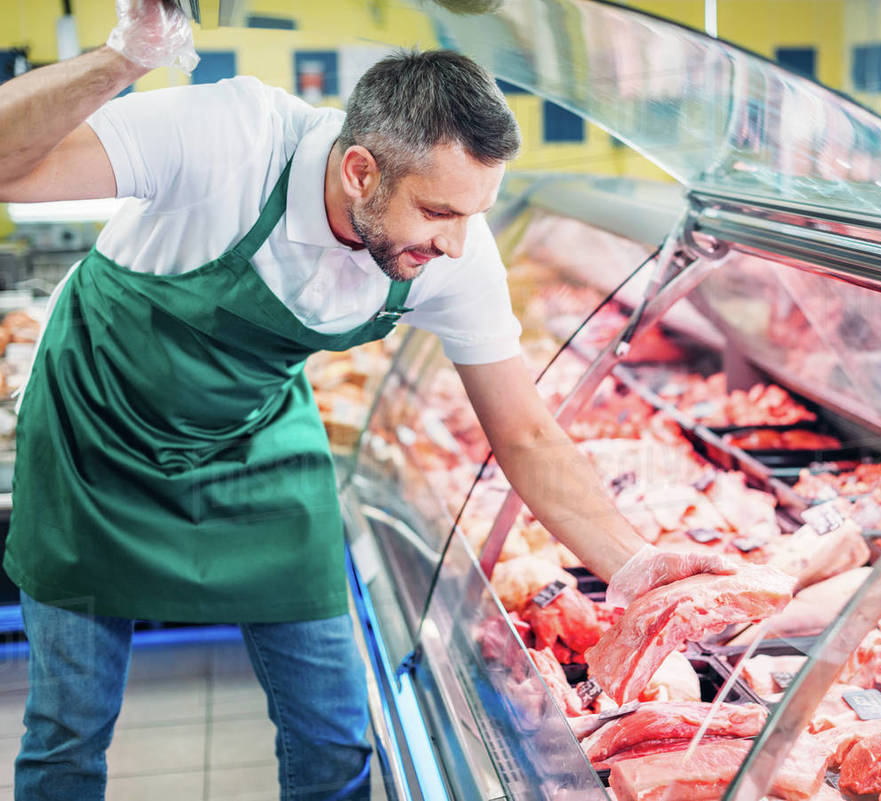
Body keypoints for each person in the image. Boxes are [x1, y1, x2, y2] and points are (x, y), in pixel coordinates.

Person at [0, 2, 733, 799]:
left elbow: (527, 435)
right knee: (71, 731)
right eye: (437, 212)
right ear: (359, 171)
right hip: (91, 439)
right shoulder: (229, 137)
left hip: (253, 440)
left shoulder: (455, 248)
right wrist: (122, 59)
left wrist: (637, 568)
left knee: (334, 732)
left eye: (470, 214)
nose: (453, 243)